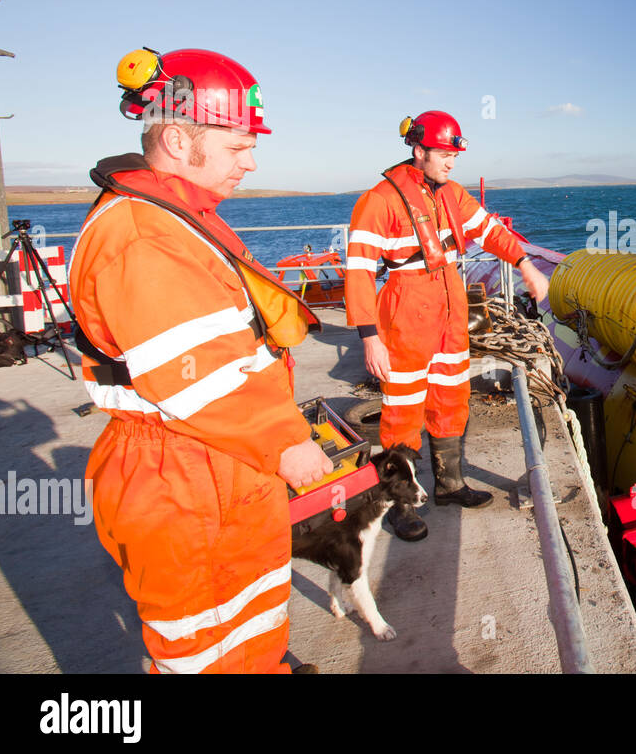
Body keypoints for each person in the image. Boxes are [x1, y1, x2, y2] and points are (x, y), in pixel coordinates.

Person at [70, 47, 333, 674]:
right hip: (181, 475)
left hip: (217, 464)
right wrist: (288, 441)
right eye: (237, 146)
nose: (252, 161)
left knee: (247, 619)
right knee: (200, 643)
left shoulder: (180, 218)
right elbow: (195, 375)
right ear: (178, 138)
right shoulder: (142, 233)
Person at [346, 111, 549, 540]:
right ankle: (400, 504)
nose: (450, 163)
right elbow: (360, 271)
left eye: (453, 155)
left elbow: (490, 231)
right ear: (418, 151)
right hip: (405, 309)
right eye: (442, 154)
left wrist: (526, 265)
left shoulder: (452, 195)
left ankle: (450, 485)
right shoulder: (378, 201)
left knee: (451, 397)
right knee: (402, 410)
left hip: (451, 305)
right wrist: (369, 337)